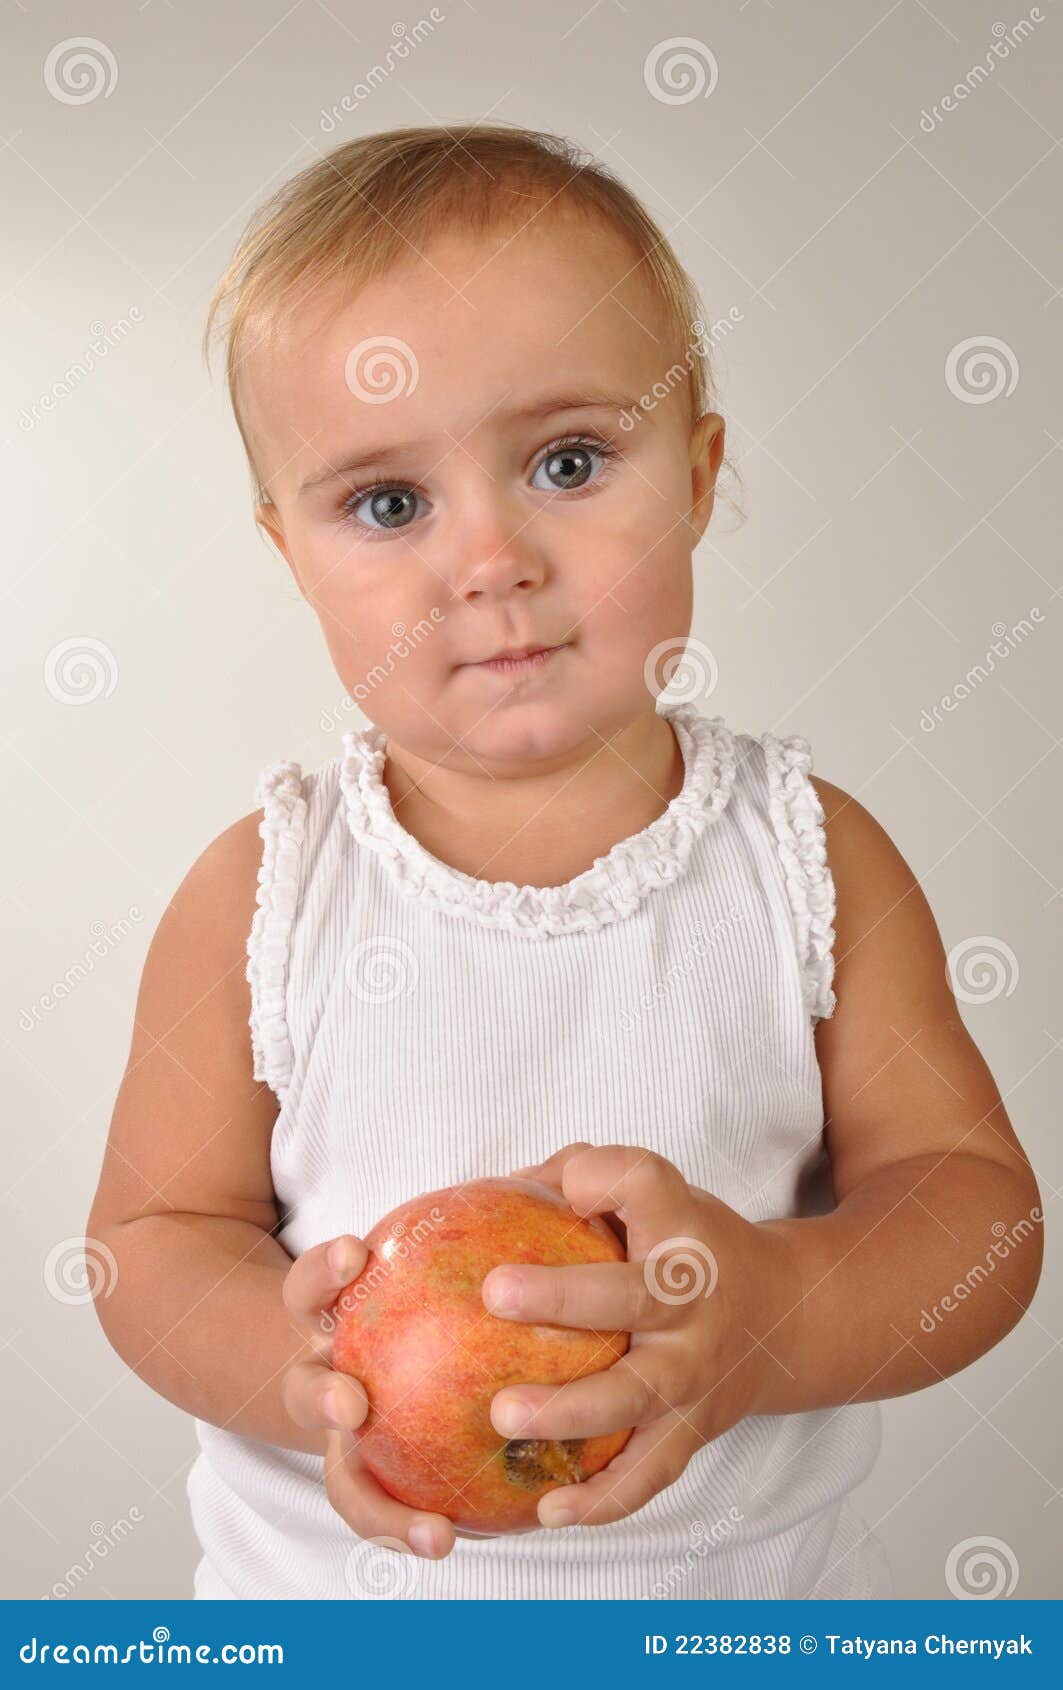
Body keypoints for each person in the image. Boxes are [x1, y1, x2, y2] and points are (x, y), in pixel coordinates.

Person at [86, 123, 1043, 1601]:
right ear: (290, 555)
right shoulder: (265, 894)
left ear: (702, 472)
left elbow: (975, 1211)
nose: (491, 560)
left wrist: (774, 1313)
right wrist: (311, 1369)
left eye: (569, 460)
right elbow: (148, 1241)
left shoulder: (809, 857)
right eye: (389, 502)